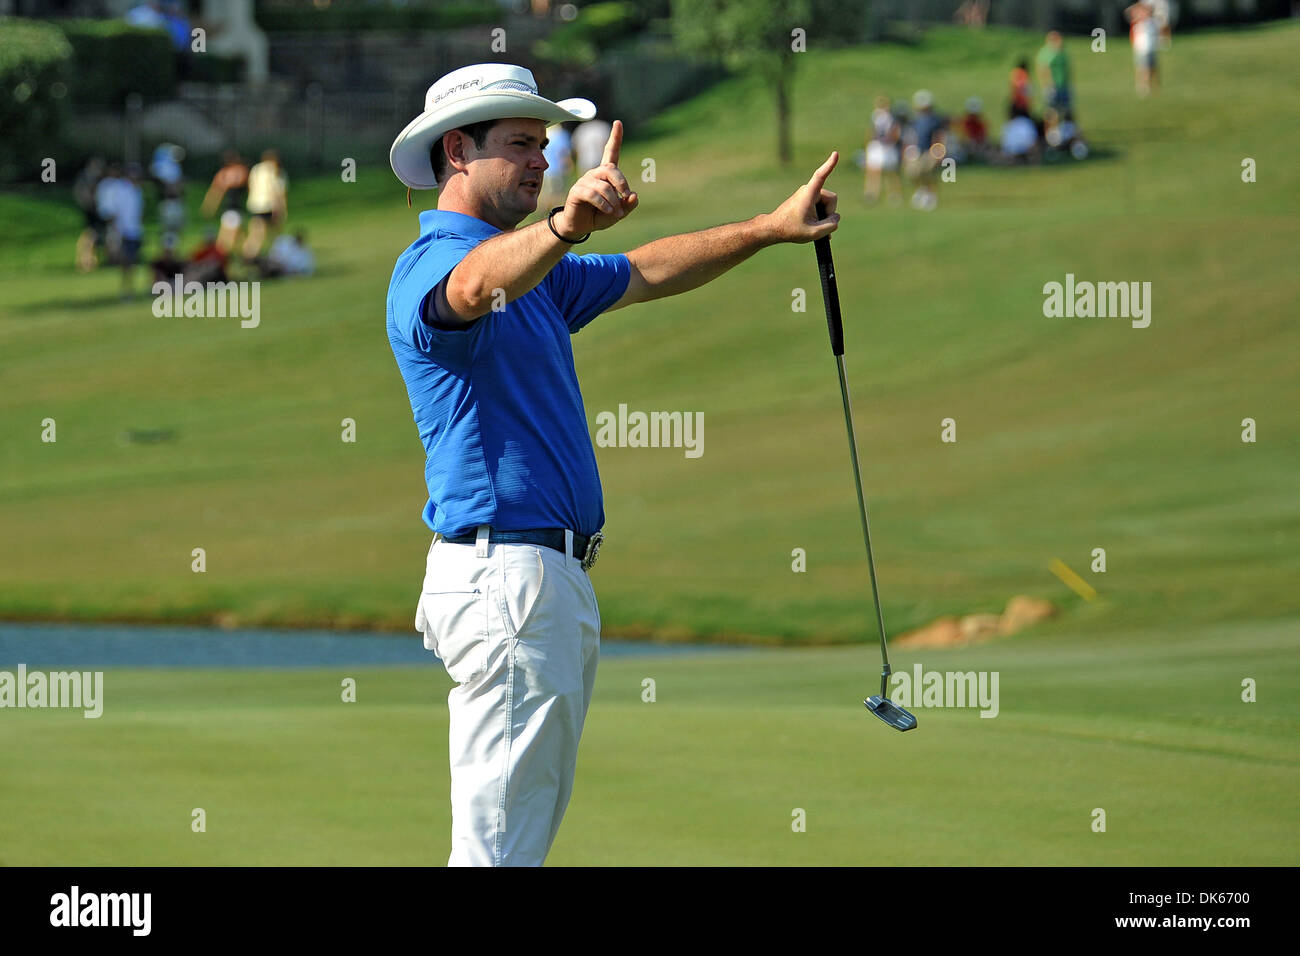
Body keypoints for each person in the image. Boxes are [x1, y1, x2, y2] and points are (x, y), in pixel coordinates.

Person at [386, 63, 840, 867]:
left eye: (546, 145)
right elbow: (467, 288)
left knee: (508, 844)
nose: (541, 161)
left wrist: (768, 227)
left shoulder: (535, 277)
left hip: (534, 580)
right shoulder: (443, 265)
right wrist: (564, 225)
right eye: (521, 144)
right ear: (457, 150)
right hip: (509, 575)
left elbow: (648, 269)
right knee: (497, 853)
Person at [201, 150, 249, 252]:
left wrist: (209, 206)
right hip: (233, 208)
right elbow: (217, 192)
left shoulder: (224, 174)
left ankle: (244, 255)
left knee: (238, 235)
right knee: (228, 237)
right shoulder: (239, 171)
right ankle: (222, 256)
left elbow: (215, 192)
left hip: (233, 208)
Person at [244, 149, 288, 259]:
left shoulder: (256, 169)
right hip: (269, 206)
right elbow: (278, 192)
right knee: (274, 235)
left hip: (255, 205)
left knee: (255, 234)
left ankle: (248, 255)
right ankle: (275, 257)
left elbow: (250, 185)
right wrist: (282, 208)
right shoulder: (275, 170)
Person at [863, 94, 902, 204]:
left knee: (892, 171)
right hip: (877, 146)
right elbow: (871, 132)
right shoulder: (876, 117)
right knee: (874, 171)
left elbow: (895, 131)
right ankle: (872, 193)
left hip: (887, 146)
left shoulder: (891, 117)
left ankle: (894, 194)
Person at [74, 156, 106, 272]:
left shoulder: (91, 178)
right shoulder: (87, 178)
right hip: (91, 211)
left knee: (93, 235)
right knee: (90, 235)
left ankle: (90, 260)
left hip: (93, 210)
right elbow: (84, 195)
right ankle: (86, 261)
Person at [1127, 1, 1161, 96]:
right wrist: (1140, 6)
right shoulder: (1138, 23)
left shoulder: (1153, 22)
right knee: (1143, 68)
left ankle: (1154, 86)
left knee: (1153, 68)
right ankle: (1143, 86)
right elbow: (1128, 12)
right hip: (1142, 50)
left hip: (1151, 49)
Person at [1036, 31, 1073, 115]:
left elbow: (1067, 69)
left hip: (1063, 85)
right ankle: (1051, 128)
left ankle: (1064, 126)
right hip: (1051, 86)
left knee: (1065, 109)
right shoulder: (1046, 53)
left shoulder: (1062, 53)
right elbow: (1043, 70)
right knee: (1051, 110)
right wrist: (1047, 85)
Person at [540, 122, 572, 207]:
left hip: (545, 170)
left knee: (546, 192)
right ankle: (555, 212)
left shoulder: (545, 135)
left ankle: (544, 212)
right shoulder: (561, 135)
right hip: (557, 169)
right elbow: (563, 152)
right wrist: (568, 166)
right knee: (558, 193)